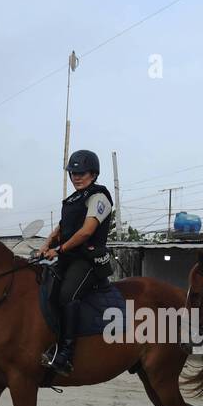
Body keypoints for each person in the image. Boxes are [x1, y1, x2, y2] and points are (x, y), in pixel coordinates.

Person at [37, 149, 115, 375]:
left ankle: (66, 355)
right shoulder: (72, 200)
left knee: (67, 294)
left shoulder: (99, 197)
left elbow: (85, 232)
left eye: (82, 172)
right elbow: (62, 227)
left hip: (88, 260)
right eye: (73, 173)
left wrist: (58, 249)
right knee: (43, 286)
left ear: (93, 173)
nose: (76, 177)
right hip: (68, 257)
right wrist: (46, 245)